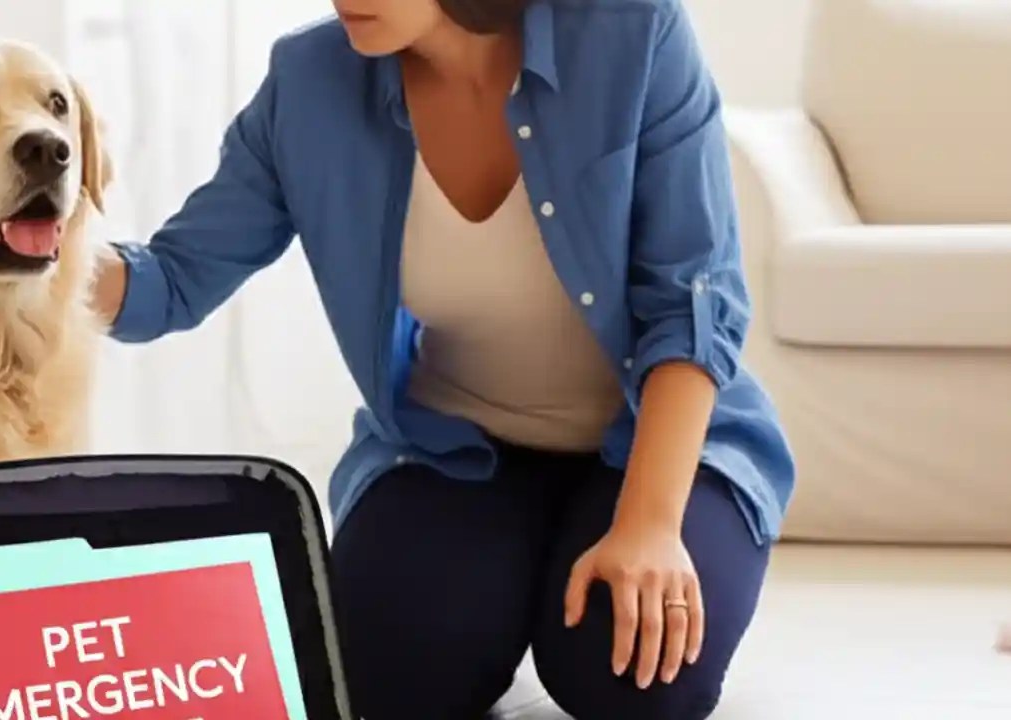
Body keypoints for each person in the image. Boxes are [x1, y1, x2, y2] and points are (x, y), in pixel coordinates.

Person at [91, 0, 795, 717]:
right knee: (386, 676)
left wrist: (649, 525)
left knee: (636, 683)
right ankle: (508, 575)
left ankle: (606, 552)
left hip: (650, 444)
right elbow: (173, 282)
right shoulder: (309, 82)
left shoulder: (633, 29)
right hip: (460, 448)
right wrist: (22, 259)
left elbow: (691, 302)